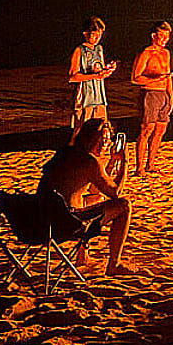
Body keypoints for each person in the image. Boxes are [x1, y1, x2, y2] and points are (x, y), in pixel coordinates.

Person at [37, 118, 136, 275]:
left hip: (41, 220)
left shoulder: (64, 152)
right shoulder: (90, 161)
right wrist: (125, 163)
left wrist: (112, 162)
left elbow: (97, 188)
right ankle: (114, 264)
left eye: (107, 141)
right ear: (89, 139)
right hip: (66, 224)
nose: (104, 145)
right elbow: (115, 193)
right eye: (101, 140)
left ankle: (82, 255)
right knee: (124, 205)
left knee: (94, 199)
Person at [131, 21, 173, 176]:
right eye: (161, 36)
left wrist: (171, 96)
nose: (164, 39)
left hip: (163, 95)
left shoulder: (166, 53)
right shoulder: (146, 53)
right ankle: (139, 168)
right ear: (153, 36)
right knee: (146, 129)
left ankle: (151, 164)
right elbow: (135, 78)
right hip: (150, 93)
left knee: (160, 130)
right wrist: (154, 79)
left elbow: (168, 76)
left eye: (167, 36)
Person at [69, 16, 117, 132]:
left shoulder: (99, 49)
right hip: (85, 97)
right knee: (81, 130)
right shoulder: (80, 50)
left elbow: (100, 73)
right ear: (86, 33)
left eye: (99, 35)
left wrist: (108, 70)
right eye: (94, 34)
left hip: (99, 97)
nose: (97, 38)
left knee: (101, 129)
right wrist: (95, 76)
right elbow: (73, 77)